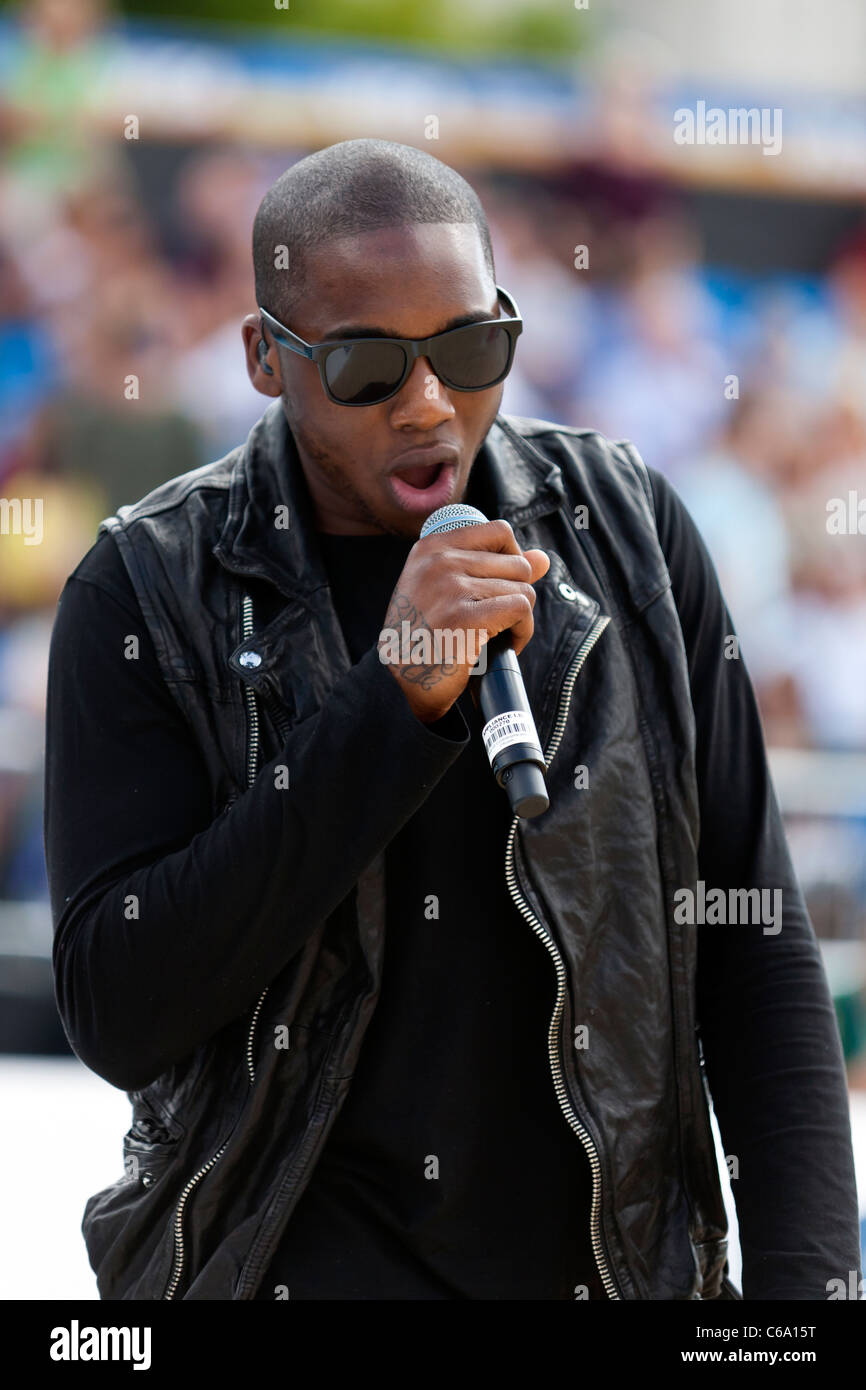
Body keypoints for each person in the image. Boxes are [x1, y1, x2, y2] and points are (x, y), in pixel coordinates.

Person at [44, 138, 860, 1301]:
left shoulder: (627, 530)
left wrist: (804, 1291)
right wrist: (386, 710)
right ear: (266, 359)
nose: (429, 404)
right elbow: (121, 1005)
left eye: (472, 348)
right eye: (369, 367)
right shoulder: (146, 588)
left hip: (612, 1275)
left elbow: (753, 942)